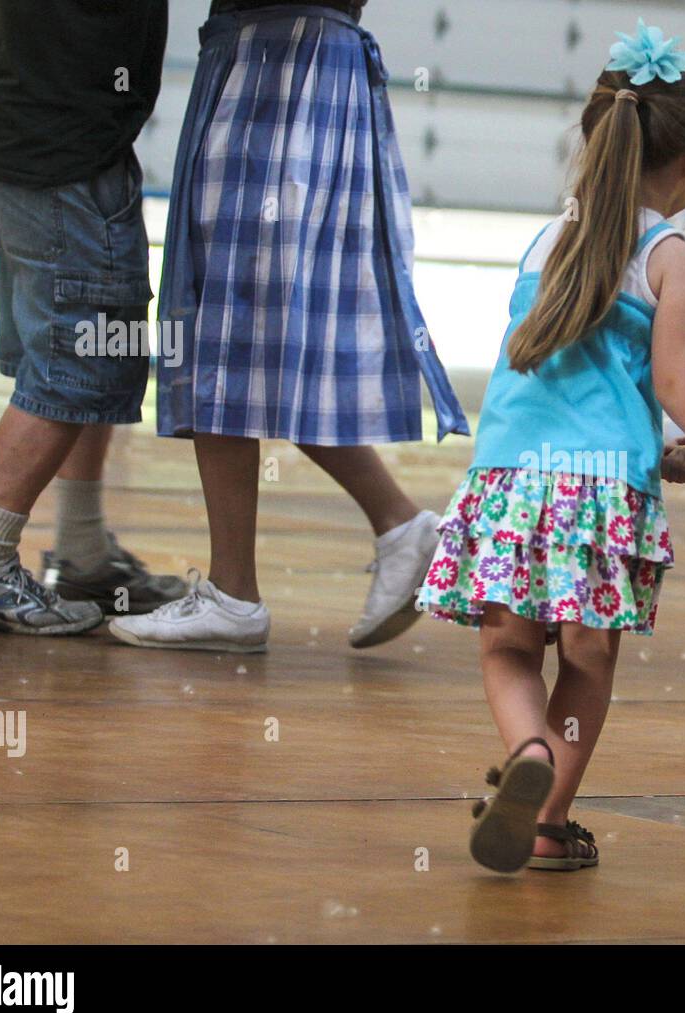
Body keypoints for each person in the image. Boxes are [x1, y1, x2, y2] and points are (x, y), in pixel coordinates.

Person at [416, 20, 685, 874]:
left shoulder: (546, 243)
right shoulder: (671, 257)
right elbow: (676, 387)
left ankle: (526, 752)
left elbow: (571, 387)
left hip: (508, 478)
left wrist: (665, 450)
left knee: (506, 647)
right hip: (598, 496)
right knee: (589, 658)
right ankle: (548, 817)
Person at [109, 0, 469, 655]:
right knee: (250, 334)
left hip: (276, 65)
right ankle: (391, 526)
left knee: (221, 323)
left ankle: (237, 593)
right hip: (294, 57)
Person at [0, 0, 186, 636]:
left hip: (27, 127)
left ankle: (82, 551)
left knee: (92, 355)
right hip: (55, 144)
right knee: (77, 366)